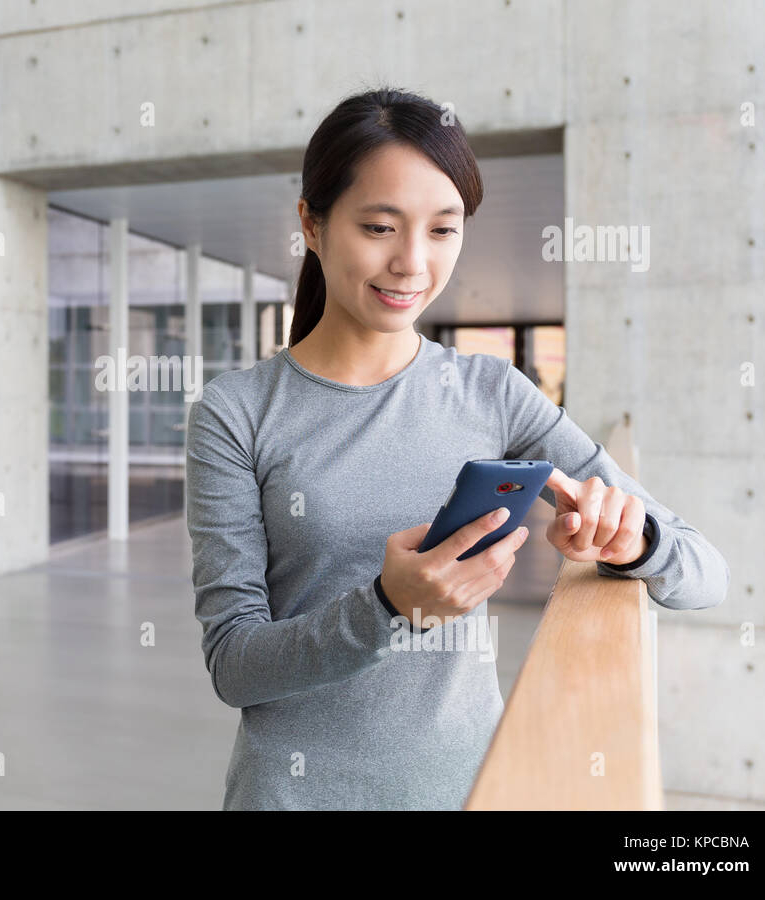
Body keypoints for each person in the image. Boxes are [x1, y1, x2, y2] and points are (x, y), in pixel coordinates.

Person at [184, 86, 730, 810]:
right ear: (311, 226)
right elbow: (235, 665)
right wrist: (385, 608)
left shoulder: (493, 393)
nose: (412, 263)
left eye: (443, 230)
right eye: (379, 227)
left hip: (468, 790)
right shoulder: (236, 413)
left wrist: (632, 539)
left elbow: (704, 574)